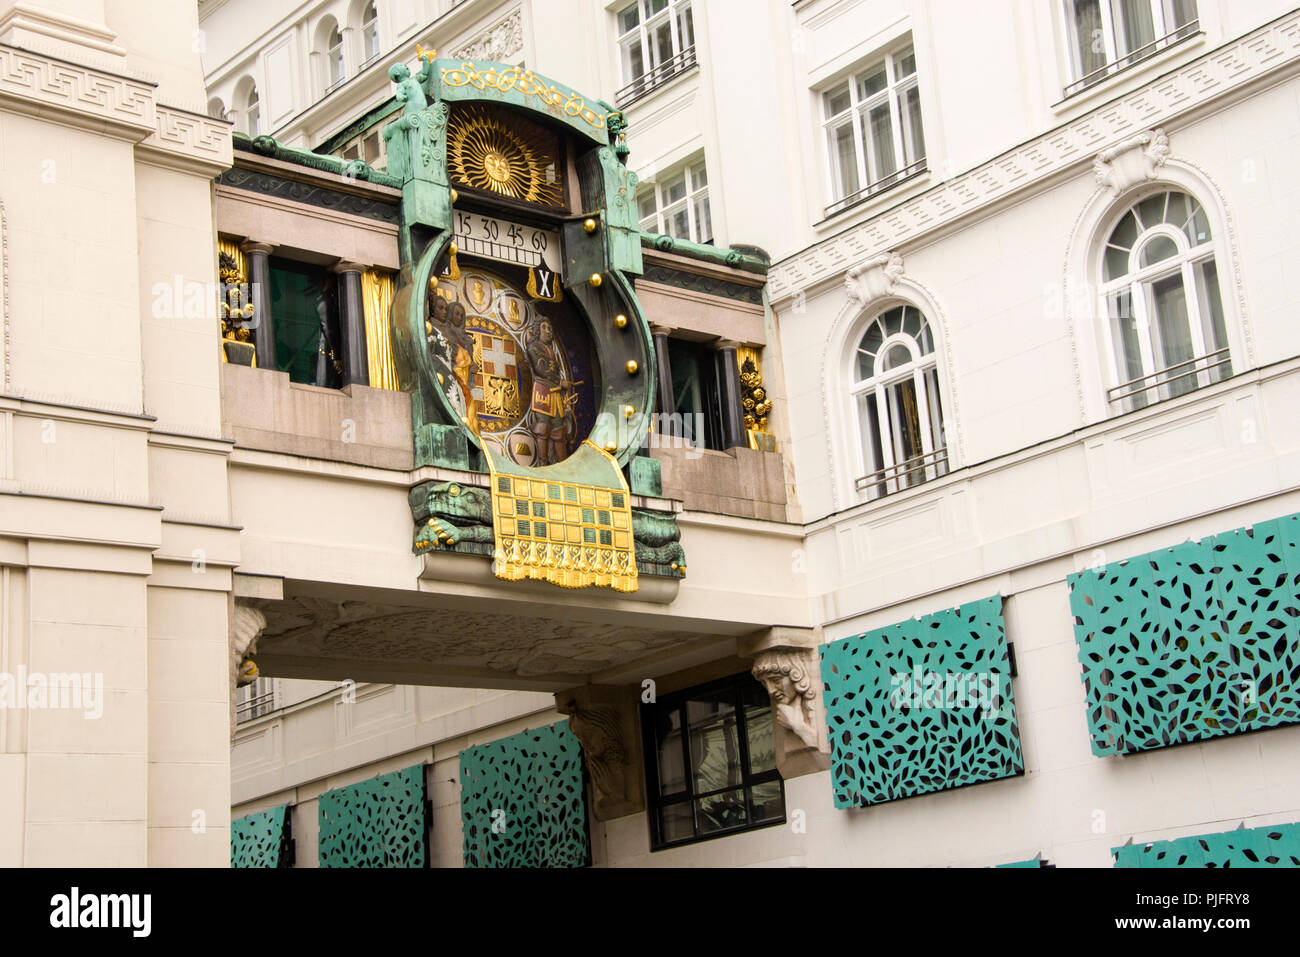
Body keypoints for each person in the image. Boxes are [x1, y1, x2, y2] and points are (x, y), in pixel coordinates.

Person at [527, 320, 575, 465]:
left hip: (555, 393)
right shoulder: (533, 347)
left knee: (559, 428)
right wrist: (560, 382)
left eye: (549, 328)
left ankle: (561, 464)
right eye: (544, 328)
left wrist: (561, 385)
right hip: (542, 390)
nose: (548, 331)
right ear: (537, 331)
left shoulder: (551, 350)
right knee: (543, 427)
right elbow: (541, 369)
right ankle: (543, 463)